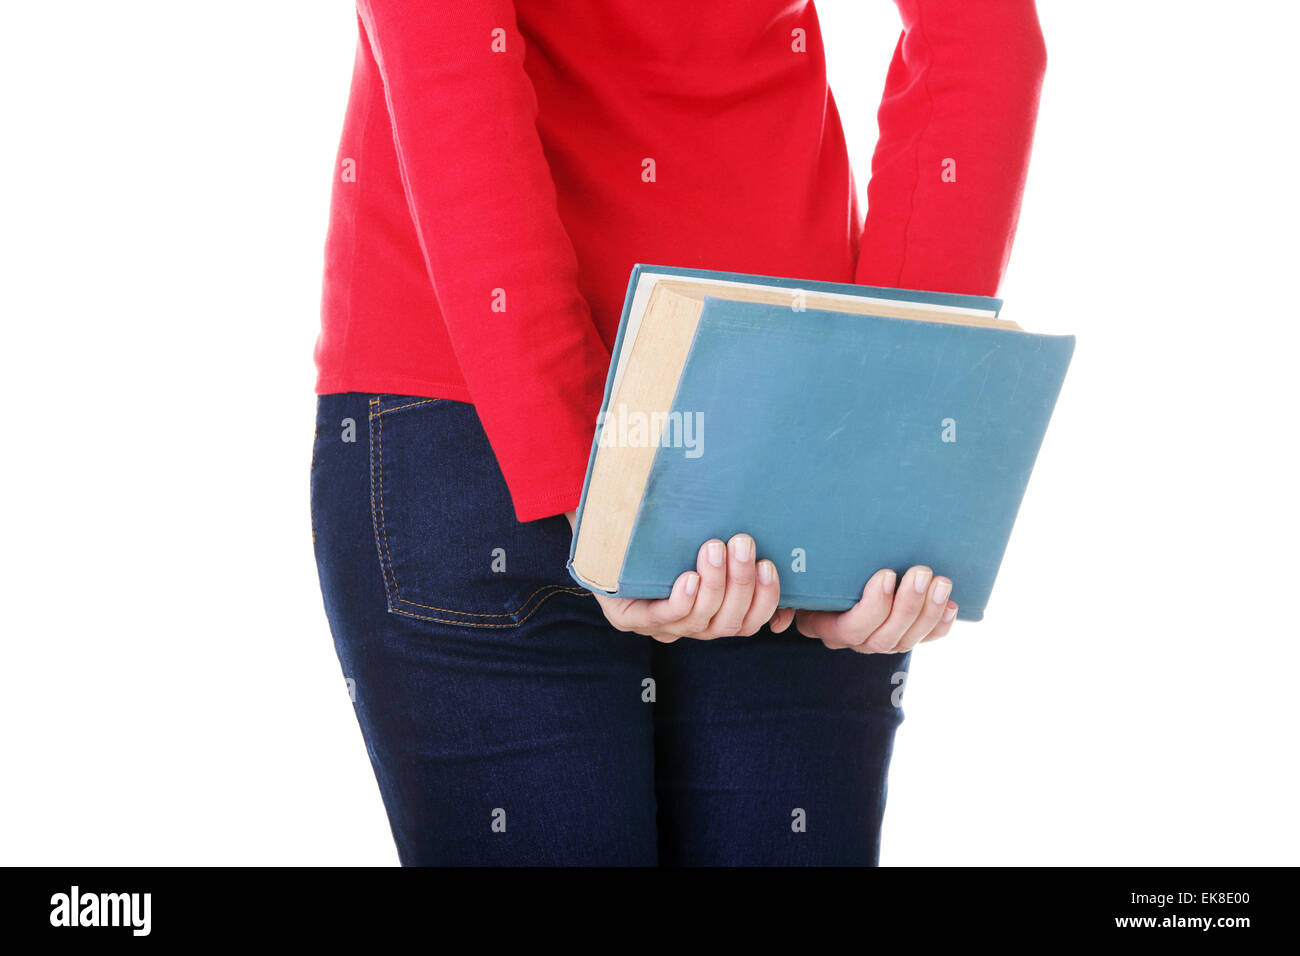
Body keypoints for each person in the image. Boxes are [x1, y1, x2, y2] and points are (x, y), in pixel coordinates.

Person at [311, 0, 1046, 865]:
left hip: (471, 409)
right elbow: (984, 35)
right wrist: (882, 448)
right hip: (776, 405)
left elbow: (446, 58)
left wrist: (605, 498)